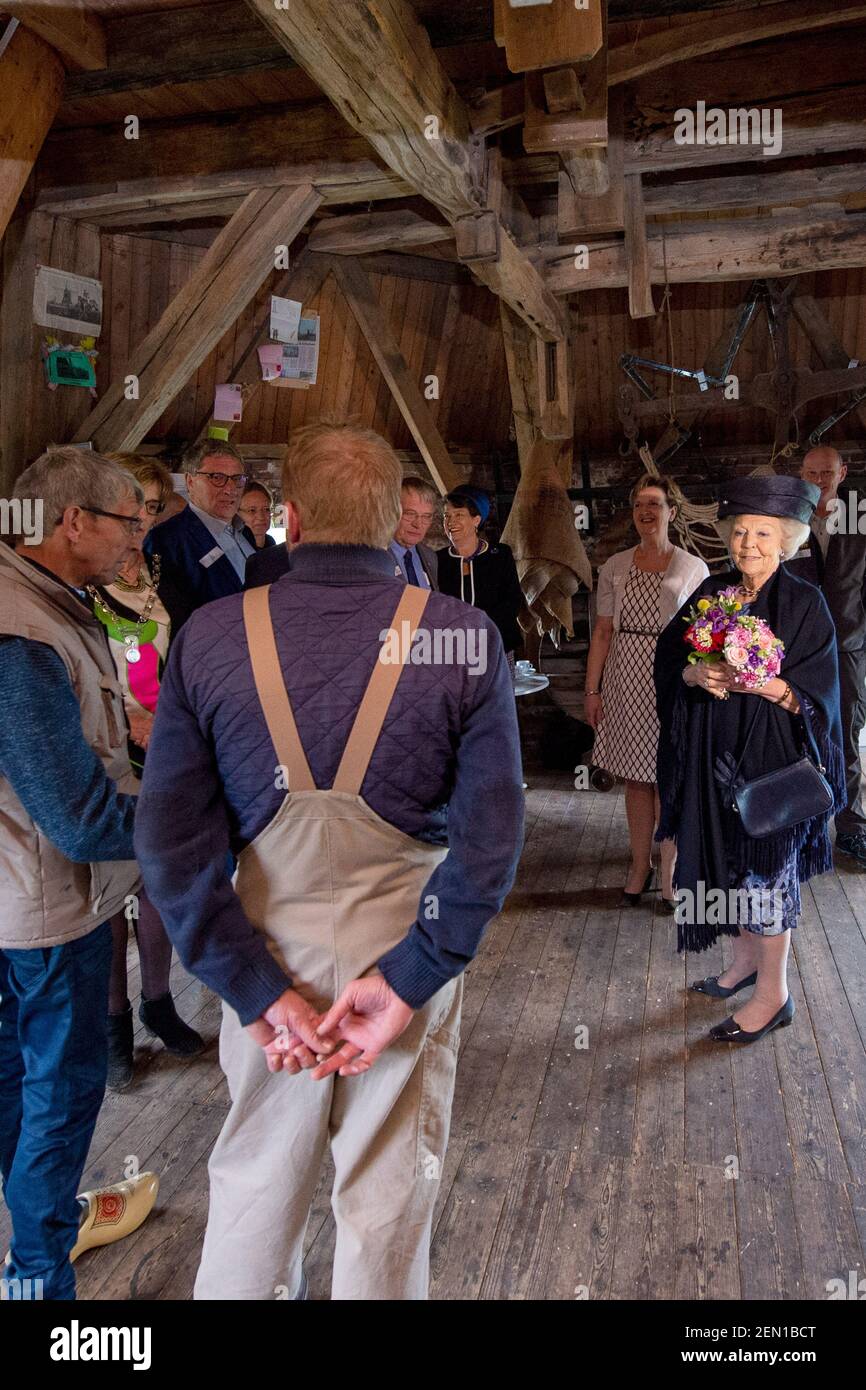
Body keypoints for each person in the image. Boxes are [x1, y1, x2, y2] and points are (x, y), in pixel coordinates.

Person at [135, 422, 524, 1300]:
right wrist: (416, 972)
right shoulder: (463, 639)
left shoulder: (209, 637)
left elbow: (170, 840)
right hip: (403, 959)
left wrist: (250, 985)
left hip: (263, 952)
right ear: (395, 521)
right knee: (388, 1202)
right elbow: (493, 841)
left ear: (295, 521)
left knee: (254, 1188)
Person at [0, 446, 157, 1301]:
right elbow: (78, 818)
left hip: (24, 894)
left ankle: (35, 1226)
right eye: (129, 522)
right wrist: (193, 822)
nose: (136, 540)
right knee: (56, 1097)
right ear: (74, 521)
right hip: (44, 905)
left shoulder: (46, 602)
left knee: (21, 1082)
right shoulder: (19, 634)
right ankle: (37, 1277)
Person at [655, 475, 845, 1045]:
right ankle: (743, 966)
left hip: (772, 770)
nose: (748, 543)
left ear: (786, 539)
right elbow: (670, 661)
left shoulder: (805, 602)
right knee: (730, 869)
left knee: (765, 878)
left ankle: (773, 995)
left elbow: (823, 694)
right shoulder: (713, 592)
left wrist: (773, 687)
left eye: (763, 532)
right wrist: (693, 672)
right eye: (739, 531)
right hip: (714, 763)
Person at [95, 454, 205, 1090]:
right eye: (132, 507)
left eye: (152, 509)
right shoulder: (80, 588)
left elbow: (189, 657)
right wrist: (123, 720)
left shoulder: (162, 575)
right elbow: (75, 677)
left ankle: (158, 1003)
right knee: (113, 897)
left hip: (169, 753)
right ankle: (113, 1023)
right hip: (110, 756)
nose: (141, 522)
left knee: (160, 886)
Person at [586, 475, 708, 908]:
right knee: (636, 780)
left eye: (655, 504)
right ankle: (641, 865)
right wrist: (592, 689)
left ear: (671, 512)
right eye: (639, 504)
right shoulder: (615, 566)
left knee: (669, 778)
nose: (646, 511)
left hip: (673, 678)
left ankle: (672, 872)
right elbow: (602, 630)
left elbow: (704, 637)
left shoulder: (694, 568)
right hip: (625, 676)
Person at [790, 447, 866, 866]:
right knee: (803, 738)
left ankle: (852, 830)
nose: (819, 479)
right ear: (801, 475)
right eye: (812, 472)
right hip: (801, 656)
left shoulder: (860, 521)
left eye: (827, 472)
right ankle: (809, 830)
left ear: (843, 473)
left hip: (848, 649)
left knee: (847, 738)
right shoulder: (790, 522)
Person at [145, 440, 255, 630]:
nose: (230, 489)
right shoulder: (166, 541)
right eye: (217, 477)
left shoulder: (245, 533)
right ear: (190, 481)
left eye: (237, 479)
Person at [437, 486, 523, 665]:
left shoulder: (499, 555)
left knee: (499, 694)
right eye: (447, 516)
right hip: (452, 654)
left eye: (459, 515)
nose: (450, 522)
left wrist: (479, 630)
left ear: (476, 520)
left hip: (496, 647)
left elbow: (512, 601)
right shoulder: (438, 560)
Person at [389, 475, 439, 588]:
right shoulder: (373, 556)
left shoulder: (430, 557)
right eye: (410, 514)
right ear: (392, 512)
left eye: (426, 516)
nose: (418, 524)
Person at [237, 479, 277, 551]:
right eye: (252, 510)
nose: (261, 517)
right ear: (237, 514)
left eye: (266, 509)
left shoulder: (271, 544)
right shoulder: (233, 549)